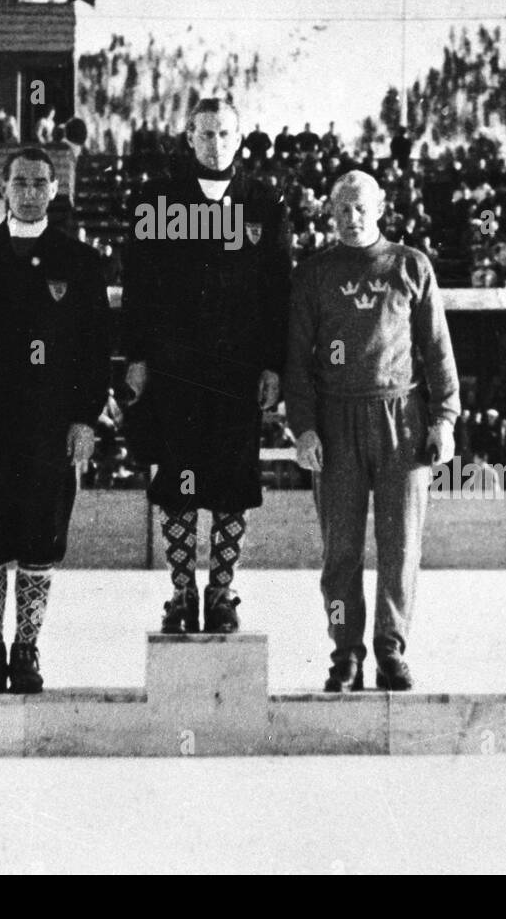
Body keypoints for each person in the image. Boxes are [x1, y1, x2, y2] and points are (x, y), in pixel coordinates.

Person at [0, 147, 111, 694]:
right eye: (20, 182)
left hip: (48, 425)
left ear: (54, 190)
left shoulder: (80, 261)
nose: (29, 192)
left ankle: (27, 647)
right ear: (3, 187)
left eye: (39, 183)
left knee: (41, 534)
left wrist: (85, 417)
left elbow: (94, 349)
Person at [121, 96, 291, 634]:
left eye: (225, 134)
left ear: (238, 140)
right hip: (173, 370)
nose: (216, 143)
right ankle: (181, 592)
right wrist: (137, 357)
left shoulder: (264, 202)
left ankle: (221, 593)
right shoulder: (156, 199)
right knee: (179, 481)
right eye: (206, 133)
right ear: (189, 137)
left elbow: (278, 291)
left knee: (232, 482)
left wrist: (273, 365)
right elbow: (138, 284)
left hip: (238, 372)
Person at [286, 171, 459, 693]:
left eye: (361, 207)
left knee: (400, 546)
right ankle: (345, 653)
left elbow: (437, 348)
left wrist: (444, 419)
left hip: (401, 421)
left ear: (381, 208)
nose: (351, 217)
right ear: (329, 213)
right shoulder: (314, 273)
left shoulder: (411, 265)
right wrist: (304, 428)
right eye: (341, 209)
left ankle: (390, 649)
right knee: (340, 552)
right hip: (336, 422)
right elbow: (297, 360)